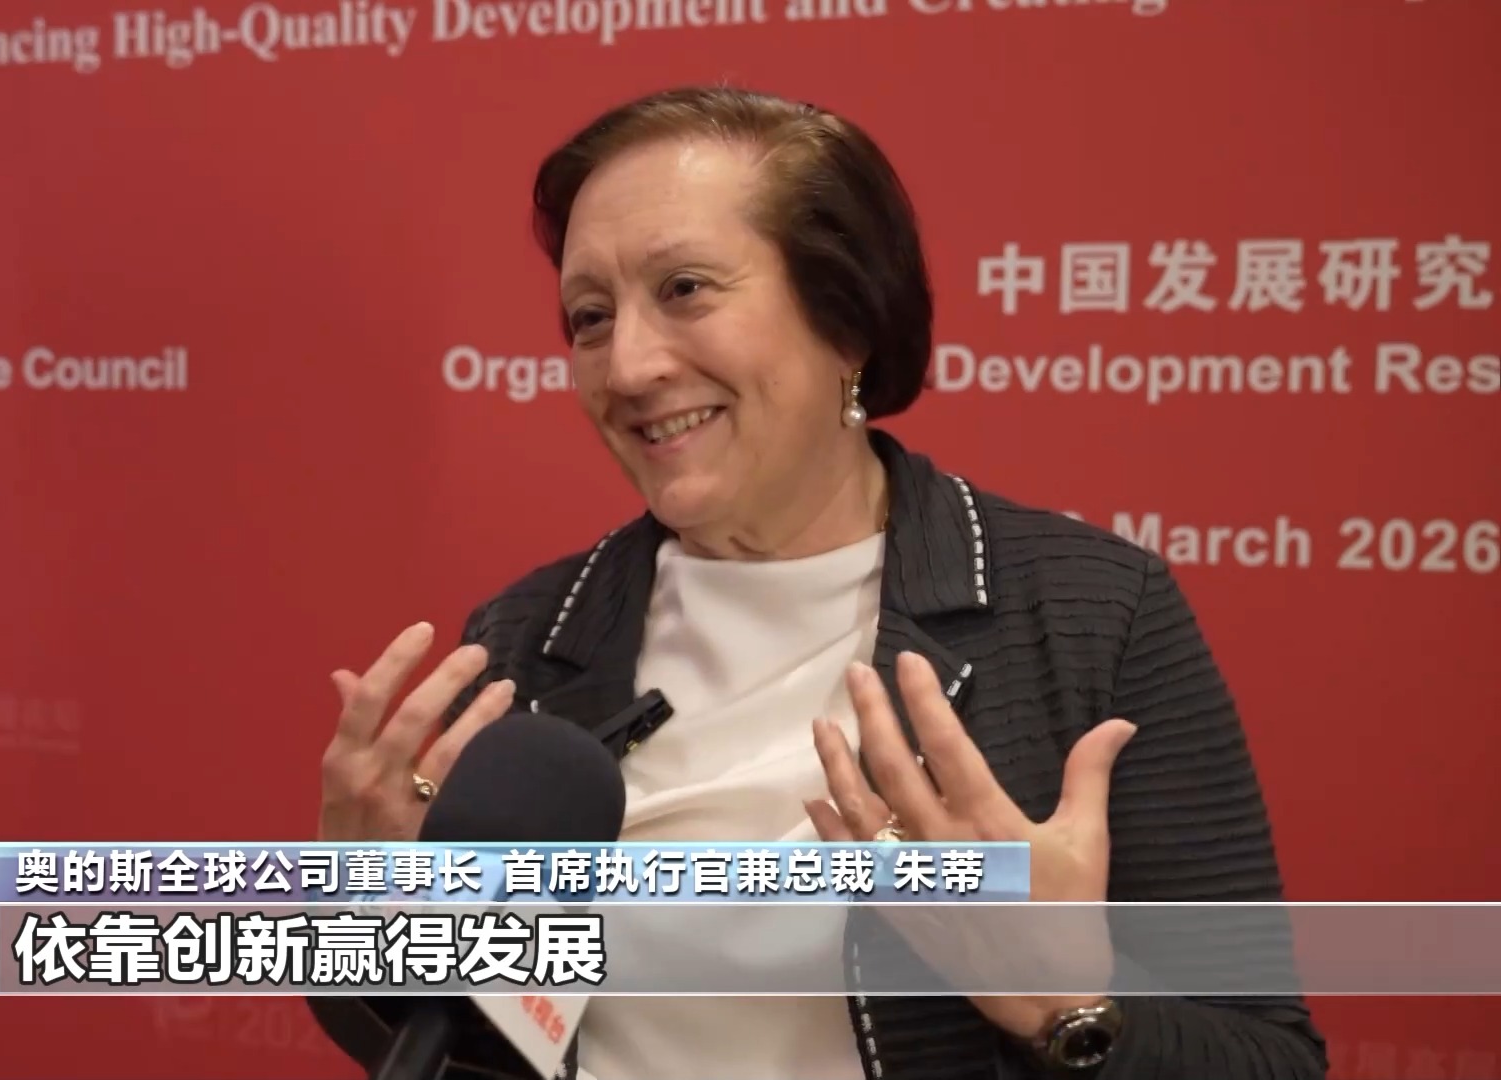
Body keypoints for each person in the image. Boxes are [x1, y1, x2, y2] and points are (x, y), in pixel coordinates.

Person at [314, 86, 1326, 1080]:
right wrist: (376, 922)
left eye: (685, 289)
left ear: (847, 320)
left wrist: (1064, 1004)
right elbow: (451, 1048)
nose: (625, 367)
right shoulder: (531, 636)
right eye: (589, 315)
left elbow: (1270, 1059)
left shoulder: (1088, 612)